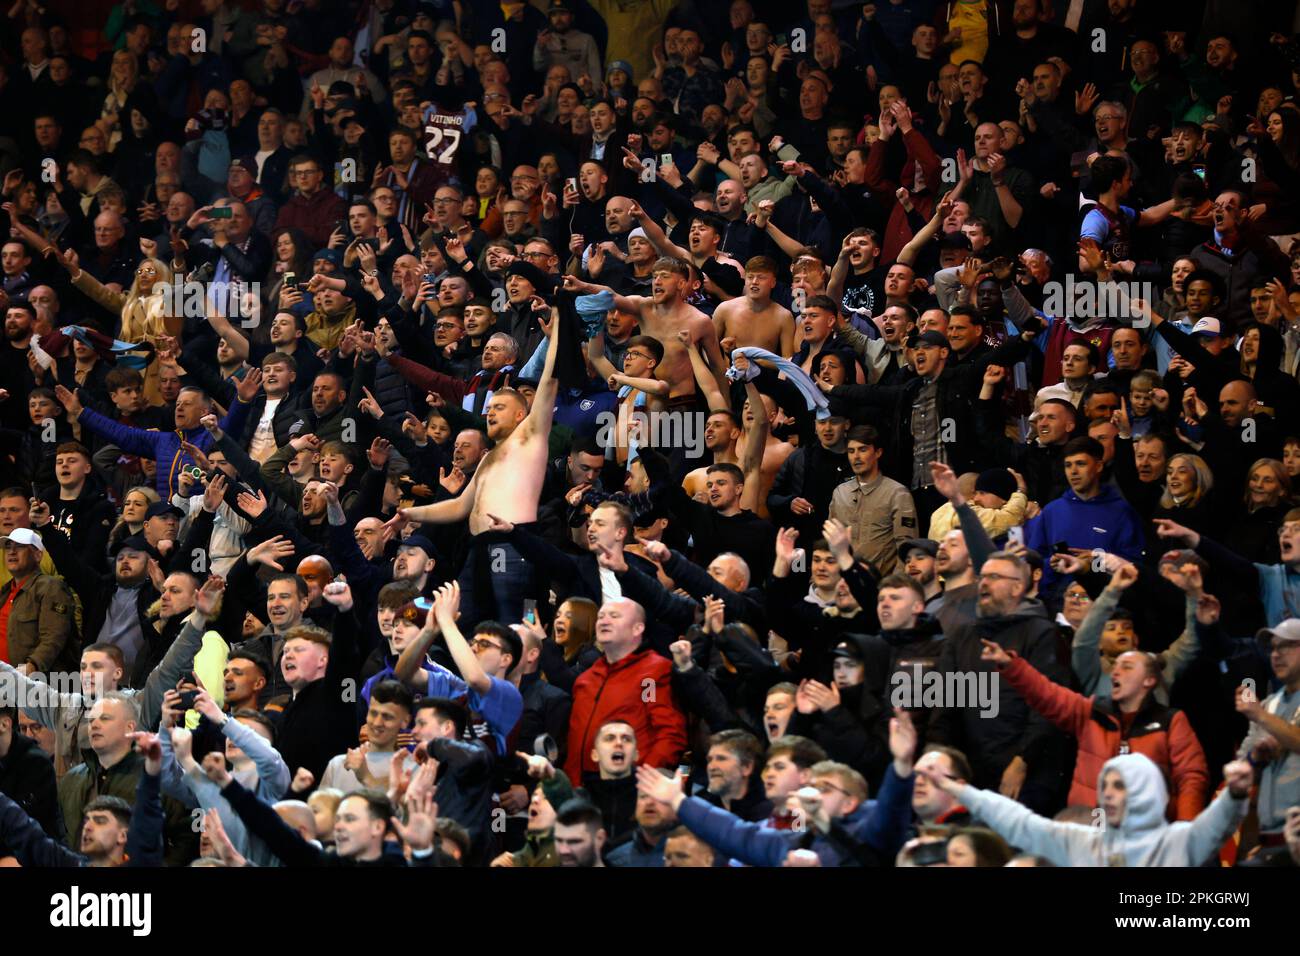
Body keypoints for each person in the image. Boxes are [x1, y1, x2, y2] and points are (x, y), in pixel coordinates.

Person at [916, 753, 1254, 868]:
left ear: (1147, 792)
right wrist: (958, 790)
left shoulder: (1179, 841)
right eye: (1104, 786)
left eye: (1119, 786)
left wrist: (1235, 795)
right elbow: (1018, 822)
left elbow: (1217, 825)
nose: (1107, 795)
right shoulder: (1083, 843)